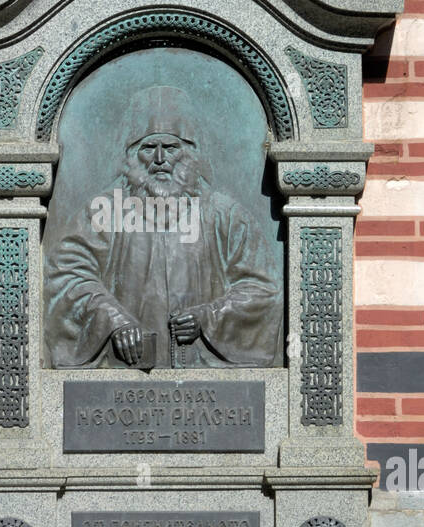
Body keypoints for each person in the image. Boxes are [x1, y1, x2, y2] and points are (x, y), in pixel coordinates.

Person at [44, 85, 282, 368]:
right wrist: (113, 319)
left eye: (170, 147)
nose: (159, 160)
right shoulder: (103, 212)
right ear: (132, 155)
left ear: (189, 152)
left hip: (207, 382)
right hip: (121, 381)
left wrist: (209, 317)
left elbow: (263, 289)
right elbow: (66, 276)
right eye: (148, 148)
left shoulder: (225, 215)